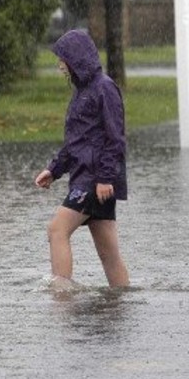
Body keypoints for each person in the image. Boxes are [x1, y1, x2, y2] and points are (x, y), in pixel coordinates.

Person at [34, 29, 129, 288]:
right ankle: (120, 302)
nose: (60, 65)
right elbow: (76, 142)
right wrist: (53, 170)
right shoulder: (81, 92)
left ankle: (61, 297)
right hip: (88, 179)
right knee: (109, 254)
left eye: (62, 59)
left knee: (56, 230)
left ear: (75, 59)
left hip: (94, 181)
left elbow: (115, 138)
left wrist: (105, 178)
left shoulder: (105, 88)